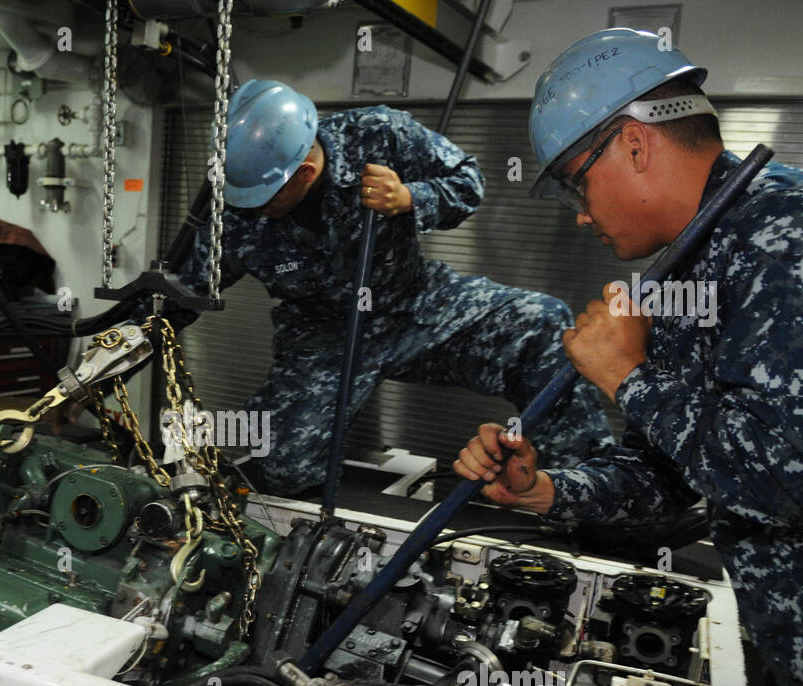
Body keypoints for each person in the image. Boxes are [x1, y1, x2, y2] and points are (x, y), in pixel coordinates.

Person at [451, 29, 803, 686]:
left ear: (635, 143)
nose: (578, 210)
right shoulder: (689, 269)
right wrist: (547, 491)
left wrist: (626, 375)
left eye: (576, 180)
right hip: (782, 645)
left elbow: (792, 479)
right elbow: (677, 479)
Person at [150, 79, 612, 496]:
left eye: (261, 200)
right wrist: (100, 368)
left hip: (416, 305)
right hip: (323, 335)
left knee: (540, 323)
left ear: (305, 174)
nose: (249, 210)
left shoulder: (379, 133)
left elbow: (468, 181)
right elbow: (178, 295)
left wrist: (411, 199)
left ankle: (587, 492)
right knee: (282, 466)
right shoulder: (237, 209)